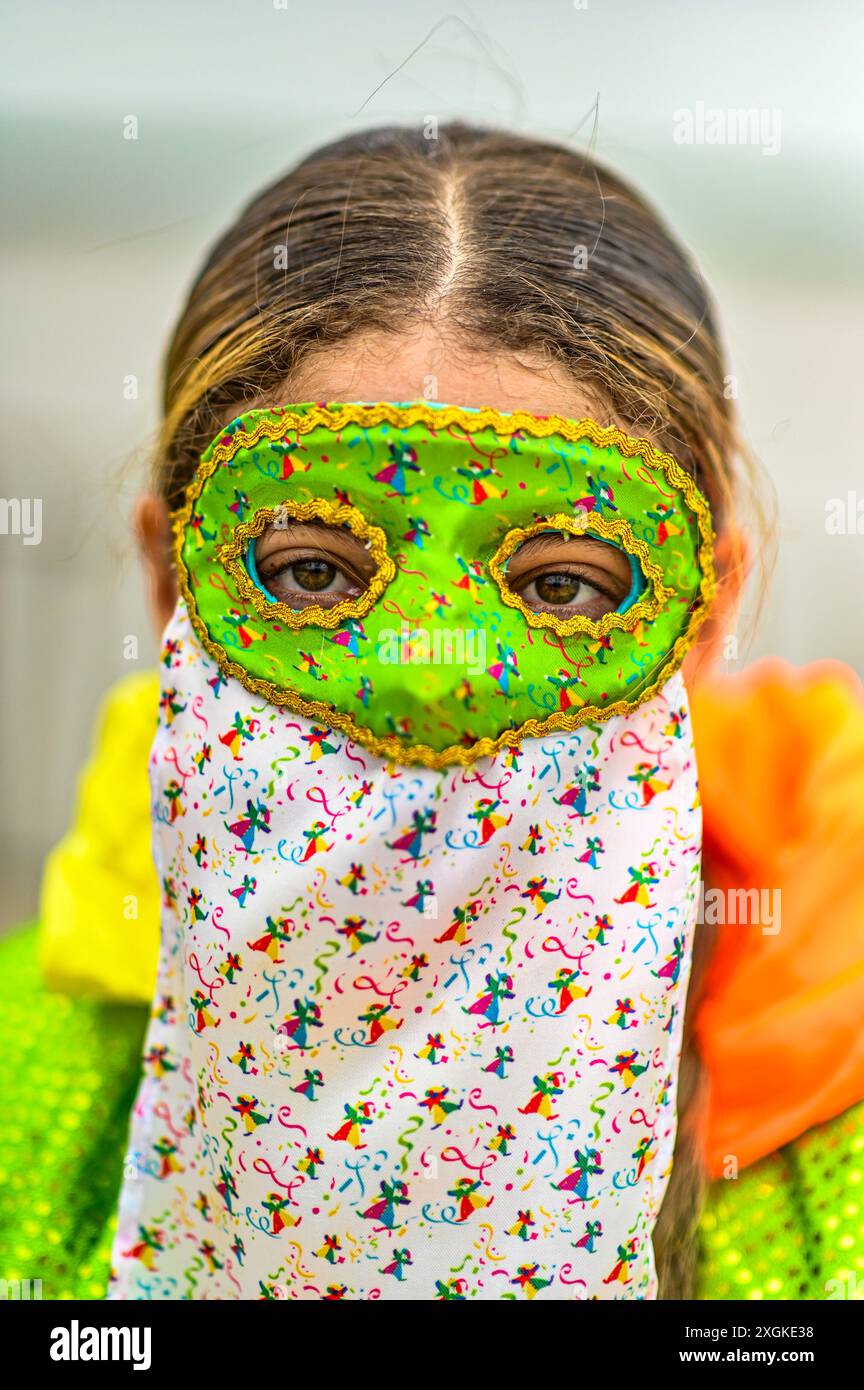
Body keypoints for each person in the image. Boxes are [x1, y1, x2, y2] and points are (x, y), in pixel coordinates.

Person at [1, 123, 862, 1301]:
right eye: (311, 572)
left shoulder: (841, 1152)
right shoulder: (20, 1099)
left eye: (562, 586)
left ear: (704, 616)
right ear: (169, 584)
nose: (433, 671)